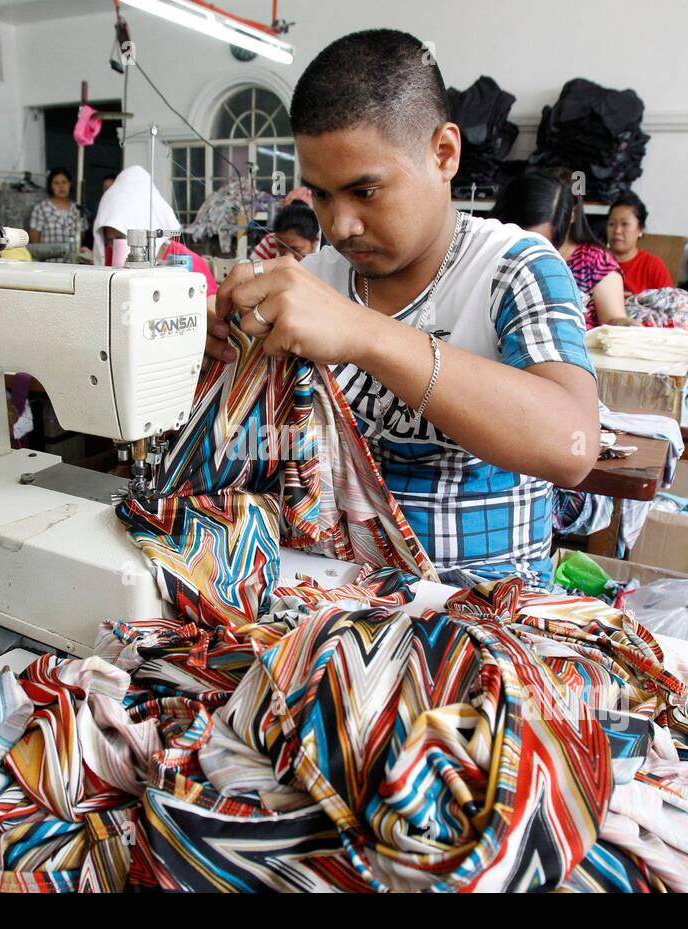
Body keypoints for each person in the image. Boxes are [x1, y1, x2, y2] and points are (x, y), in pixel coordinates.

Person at [204, 30, 598, 589]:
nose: (339, 227)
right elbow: (257, 451)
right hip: (337, 600)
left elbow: (572, 447)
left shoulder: (514, 268)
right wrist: (212, 359)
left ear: (444, 154)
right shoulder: (313, 282)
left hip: (485, 615)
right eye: (320, 194)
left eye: (364, 192)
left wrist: (365, 334)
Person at [495, 168, 634, 328]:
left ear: (572, 214)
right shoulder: (498, 250)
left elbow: (613, 321)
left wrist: (625, 327)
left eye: (540, 241)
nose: (529, 250)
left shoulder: (594, 262)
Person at [93, 165, 217, 293]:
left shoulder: (187, 263)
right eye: (109, 241)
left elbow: (215, 310)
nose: (114, 247)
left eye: (122, 239)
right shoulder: (111, 256)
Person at [607, 191, 673, 295]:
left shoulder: (653, 266)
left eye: (625, 224)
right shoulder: (594, 262)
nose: (617, 231)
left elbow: (668, 304)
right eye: (611, 224)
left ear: (640, 229)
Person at [28, 166, 88, 262]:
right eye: (56, 183)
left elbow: (81, 238)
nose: (61, 186)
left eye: (64, 182)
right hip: (49, 265)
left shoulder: (78, 210)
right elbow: (35, 242)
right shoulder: (41, 208)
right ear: (51, 186)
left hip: (72, 264)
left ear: (70, 184)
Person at [251, 201, 322, 261]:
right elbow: (249, 273)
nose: (287, 258)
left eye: (296, 250)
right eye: (281, 246)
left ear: (315, 241)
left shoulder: (328, 256)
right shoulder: (270, 242)